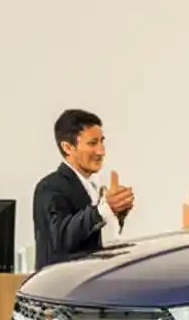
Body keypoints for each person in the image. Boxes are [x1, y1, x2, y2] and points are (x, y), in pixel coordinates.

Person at [33, 109, 134, 269]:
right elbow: (61, 239)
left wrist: (118, 212)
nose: (101, 151)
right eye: (92, 143)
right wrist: (103, 210)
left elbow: (99, 240)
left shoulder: (95, 186)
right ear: (67, 147)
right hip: (63, 287)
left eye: (102, 141)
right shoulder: (50, 187)